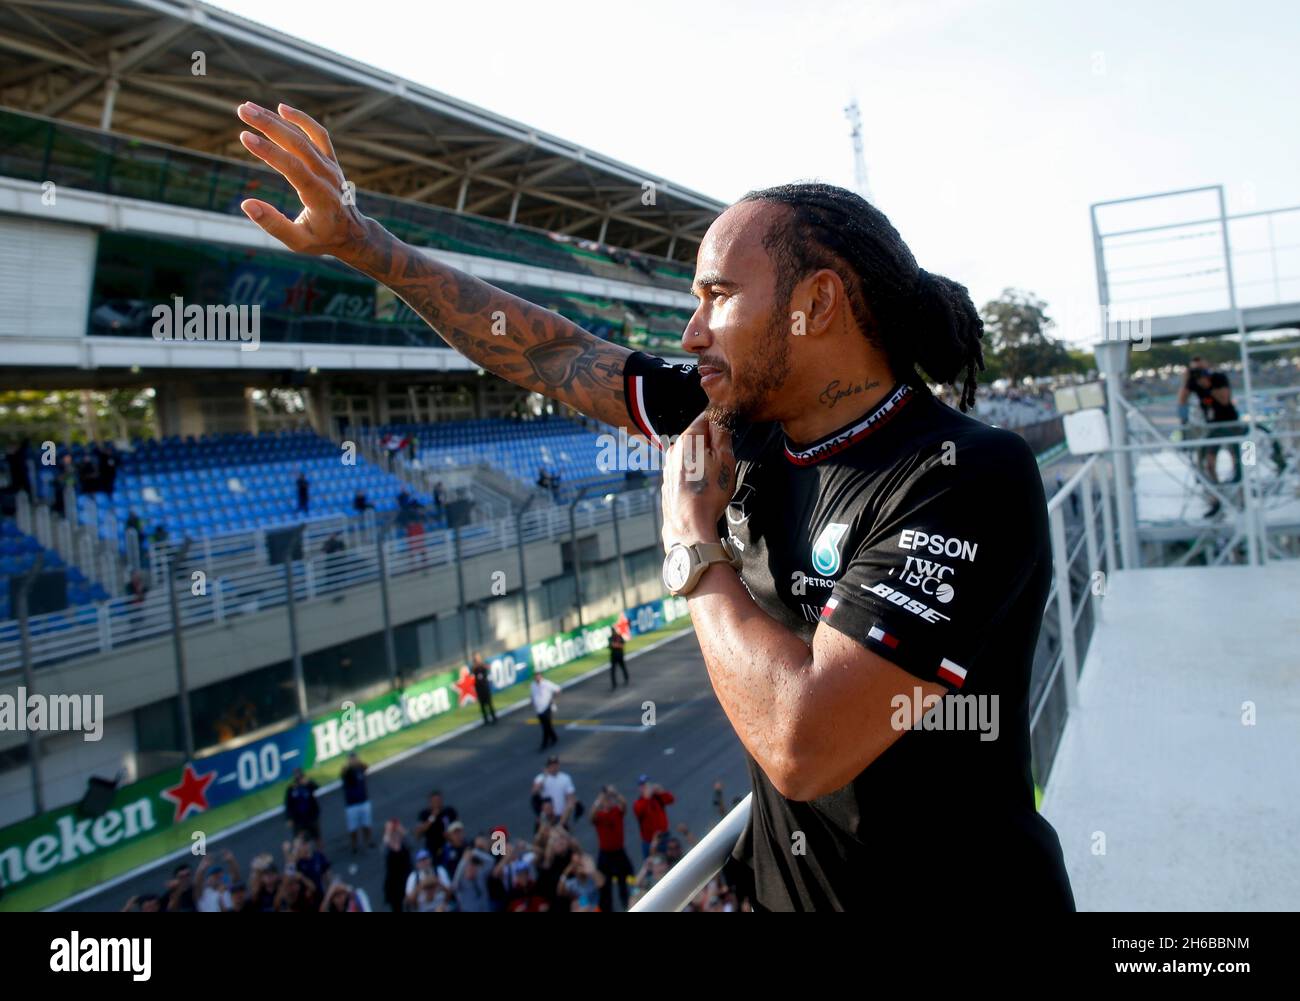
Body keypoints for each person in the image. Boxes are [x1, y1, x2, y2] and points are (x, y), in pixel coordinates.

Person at [236, 106, 1072, 911]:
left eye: (717, 296)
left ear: (814, 304)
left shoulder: (962, 475)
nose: (691, 330)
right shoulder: (732, 420)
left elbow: (801, 741)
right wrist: (364, 244)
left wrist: (688, 541)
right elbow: (552, 349)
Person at [591, 785, 634, 912]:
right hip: (605, 855)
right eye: (606, 800)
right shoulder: (599, 815)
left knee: (624, 881)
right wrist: (599, 799)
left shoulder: (617, 811)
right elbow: (591, 816)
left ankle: (628, 906)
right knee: (605, 886)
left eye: (609, 800)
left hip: (619, 853)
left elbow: (624, 804)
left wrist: (614, 793)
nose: (608, 802)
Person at [633, 776, 675, 859]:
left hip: (664, 837)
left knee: (670, 862)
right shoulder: (638, 803)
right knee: (653, 865)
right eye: (643, 786)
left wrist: (662, 791)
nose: (647, 788)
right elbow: (639, 811)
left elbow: (671, 799)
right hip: (650, 842)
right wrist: (647, 798)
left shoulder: (657, 797)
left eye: (648, 785)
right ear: (640, 789)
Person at [340, 752, 375, 854]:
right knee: (353, 828)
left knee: (367, 824)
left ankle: (367, 841)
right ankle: (354, 845)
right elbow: (343, 774)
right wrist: (349, 766)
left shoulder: (360, 768)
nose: (353, 761)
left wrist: (359, 763)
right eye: (351, 759)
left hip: (364, 801)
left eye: (355, 759)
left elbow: (366, 767)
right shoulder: (346, 771)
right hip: (351, 804)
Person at [531, 755, 577, 825]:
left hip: (561, 815)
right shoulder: (541, 778)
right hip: (546, 816)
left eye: (555, 764)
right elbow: (534, 791)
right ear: (548, 766)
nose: (554, 767)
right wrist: (545, 776)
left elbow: (570, 797)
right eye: (551, 765)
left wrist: (568, 810)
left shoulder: (565, 778)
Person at [414, 789, 458, 858]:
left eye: (439, 800)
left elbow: (458, 827)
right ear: (430, 802)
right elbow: (418, 834)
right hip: (432, 848)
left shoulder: (449, 812)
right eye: (435, 801)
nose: (437, 803)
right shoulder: (425, 814)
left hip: (449, 845)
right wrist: (432, 817)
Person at [381, 819, 413, 912]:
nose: (394, 832)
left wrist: (402, 831)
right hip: (393, 883)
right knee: (396, 908)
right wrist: (388, 832)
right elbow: (383, 852)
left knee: (411, 906)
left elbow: (412, 844)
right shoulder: (387, 847)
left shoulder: (404, 843)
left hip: (407, 879)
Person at [284, 767, 321, 840]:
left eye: (299, 775)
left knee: (317, 837)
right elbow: (288, 804)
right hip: (299, 819)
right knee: (300, 839)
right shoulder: (291, 788)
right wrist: (289, 818)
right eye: (296, 775)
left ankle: (320, 851)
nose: (298, 777)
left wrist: (309, 782)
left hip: (311, 816)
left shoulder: (307, 783)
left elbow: (317, 787)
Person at [530, 673, 561, 751]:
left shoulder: (547, 683)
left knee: (545, 727)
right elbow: (533, 695)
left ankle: (544, 743)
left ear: (541, 677)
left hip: (547, 707)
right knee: (546, 725)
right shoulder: (533, 685)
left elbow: (557, 689)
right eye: (535, 677)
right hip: (539, 709)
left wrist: (553, 699)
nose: (537, 678)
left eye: (538, 677)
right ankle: (554, 737)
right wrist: (532, 702)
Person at [470, 651, 497, 724]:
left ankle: (494, 717)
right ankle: (486, 719)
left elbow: (487, 668)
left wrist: (481, 665)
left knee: (489, 703)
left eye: (477, 657)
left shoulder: (483, 665)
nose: (476, 659)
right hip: (479, 688)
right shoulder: (473, 668)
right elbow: (472, 676)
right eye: (475, 658)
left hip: (485, 686)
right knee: (482, 705)